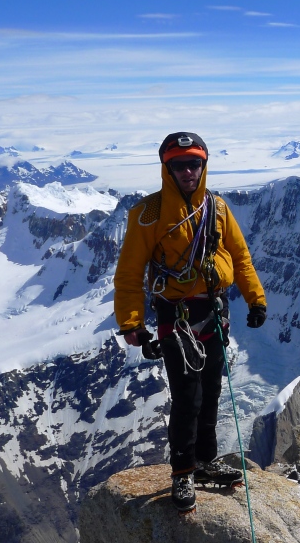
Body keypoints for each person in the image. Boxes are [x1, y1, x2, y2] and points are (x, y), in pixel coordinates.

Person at [113, 131, 267, 513]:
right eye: (179, 164)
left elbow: (241, 257)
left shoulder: (217, 207)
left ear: (204, 165)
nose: (188, 171)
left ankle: (204, 461)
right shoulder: (148, 214)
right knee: (187, 397)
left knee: (211, 391)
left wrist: (256, 298)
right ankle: (183, 471)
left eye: (194, 163)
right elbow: (130, 273)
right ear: (167, 168)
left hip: (214, 311)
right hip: (176, 315)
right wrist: (132, 323)